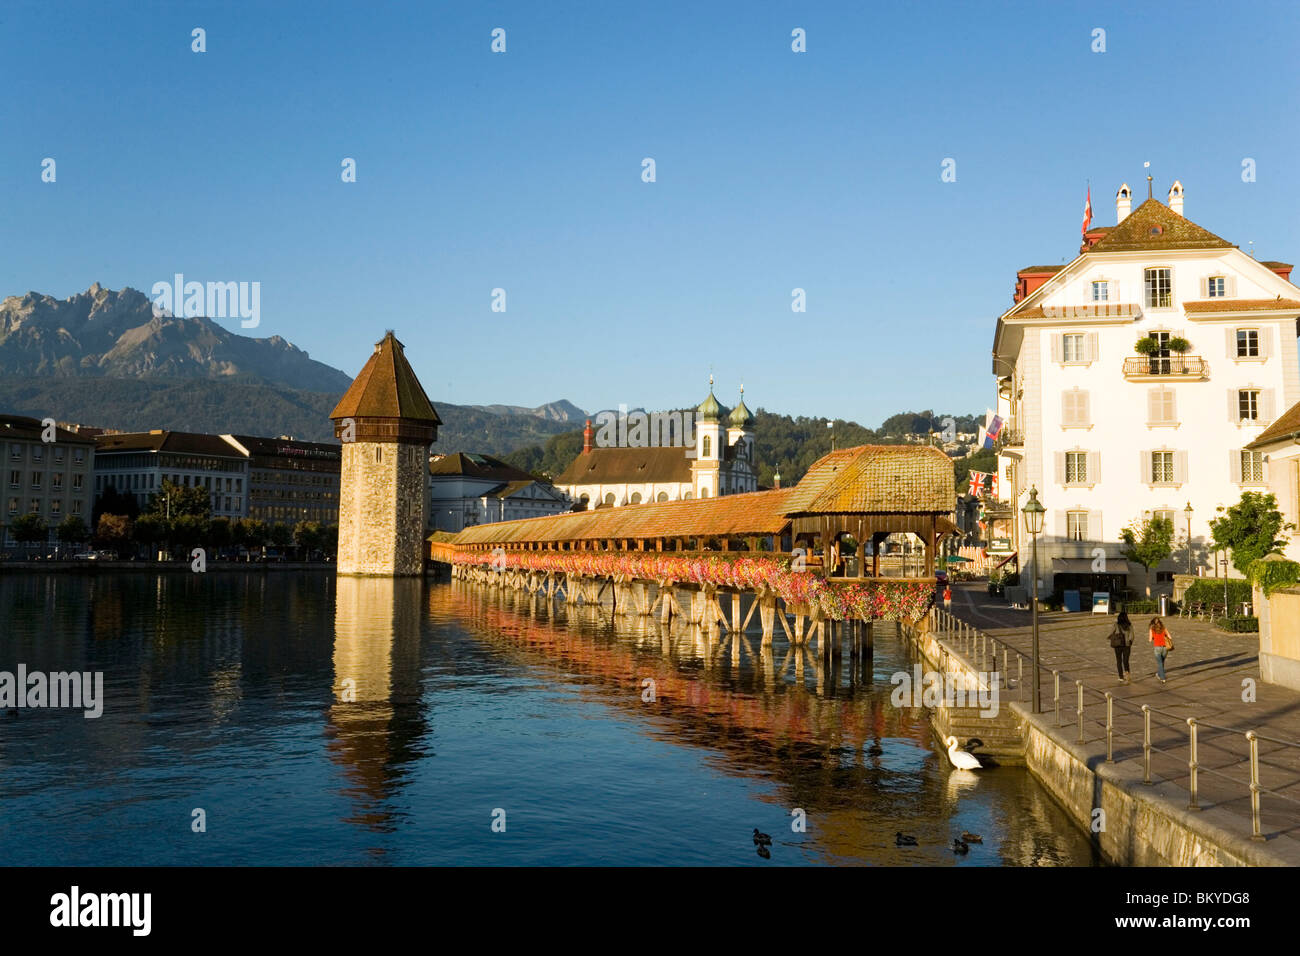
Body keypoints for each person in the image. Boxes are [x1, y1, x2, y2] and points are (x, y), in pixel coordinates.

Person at [1108, 608, 1133, 682]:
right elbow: (1132, 635)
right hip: (1127, 645)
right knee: (1126, 661)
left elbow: (1111, 632)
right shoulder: (1129, 625)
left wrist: (1109, 637)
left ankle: (1121, 676)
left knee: (1119, 661)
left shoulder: (1116, 624)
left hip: (1118, 644)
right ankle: (1127, 673)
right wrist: (1130, 641)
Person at [1149, 617, 1174, 683]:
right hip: (1165, 648)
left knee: (1160, 663)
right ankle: (1158, 674)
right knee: (1162, 662)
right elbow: (1170, 637)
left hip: (1157, 648)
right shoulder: (1164, 628)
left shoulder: (1152, 629)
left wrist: (1154, 638)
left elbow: (1150, 640)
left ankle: (1162, 677)